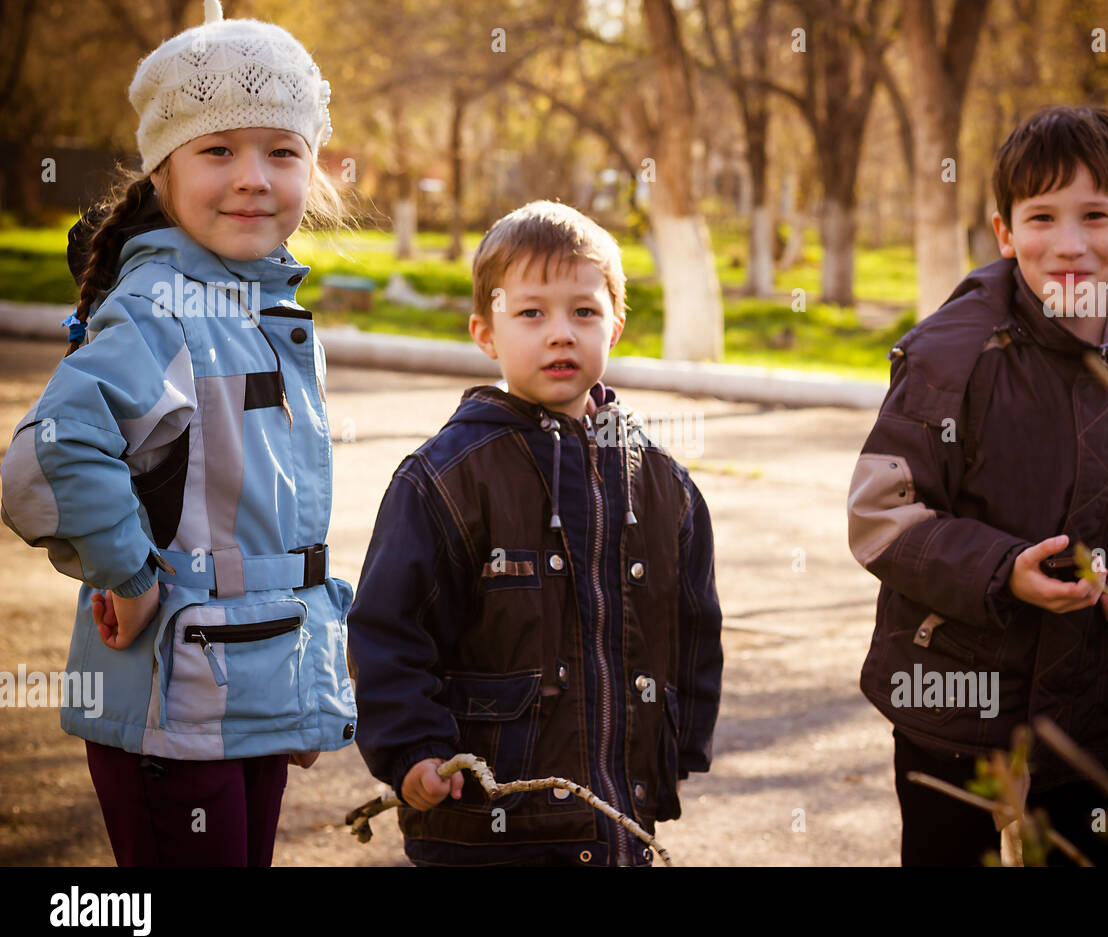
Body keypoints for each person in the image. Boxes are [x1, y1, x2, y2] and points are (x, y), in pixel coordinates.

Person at [846, 106, 1108, 866]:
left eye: (1096, 217)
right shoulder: (952, 357)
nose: (1069, 245)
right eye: (1041, 216)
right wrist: (1003, 571)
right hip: (954, 708)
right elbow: (882, 514)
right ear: (1005, 233)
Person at [0, 0, 355, 866]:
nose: (253, 177)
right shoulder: (164, 309)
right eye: (218, 149)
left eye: (283, 151)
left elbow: (265, 533)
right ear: (161, 171)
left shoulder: (261, 305)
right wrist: (130, 574)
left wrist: (303, 689)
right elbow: (45, 460)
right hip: (173, 711)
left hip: (247, 693)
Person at [348, 200, 724, 866]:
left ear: (616, 328)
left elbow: (694, 624)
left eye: (584, 311)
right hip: (487, 821)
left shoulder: (663, 483)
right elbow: (388, 630)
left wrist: (678, 745)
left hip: (619, 821)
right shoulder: (445, 478)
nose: (561, 333)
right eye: (531, 312)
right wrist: (413, 751)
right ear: (484, 333)